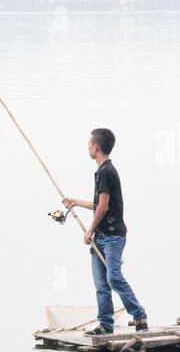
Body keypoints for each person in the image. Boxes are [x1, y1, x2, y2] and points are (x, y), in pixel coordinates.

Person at [62, 128, 149, 335]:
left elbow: (103, 207)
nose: (88, 148)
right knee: (101, 283)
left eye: (89, 144)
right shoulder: (102, 171)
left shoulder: (106, 171)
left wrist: (89, 230)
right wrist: (75, 202)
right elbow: (98, 204)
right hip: (101, 237)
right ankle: (105, 324)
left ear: (96, 147)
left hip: (112, 237)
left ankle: (139, 315)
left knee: (113, 278)